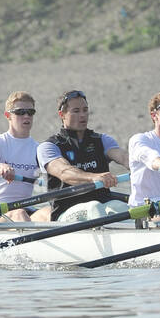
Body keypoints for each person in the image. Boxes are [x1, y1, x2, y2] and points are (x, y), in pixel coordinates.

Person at [37, 90, 129, 223]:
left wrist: (148, 164)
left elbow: (125, 158)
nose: (83, 115)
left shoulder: (102, 140)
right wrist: (94, 177)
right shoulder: (49, 147)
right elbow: (64, 172)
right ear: (62, 114)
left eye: (85, 110)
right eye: (76, 111)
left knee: (126, 208)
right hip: (66, 211)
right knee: (94, 208)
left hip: (103, 203)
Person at [0, 92, 50, 223]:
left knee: (51, 212)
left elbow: (49, 176)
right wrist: (1, 167)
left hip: (24, 209)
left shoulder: (39, 149)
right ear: (8, 116)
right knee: (19, 214)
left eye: (30, 112)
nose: (26, 116)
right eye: (20, 112)